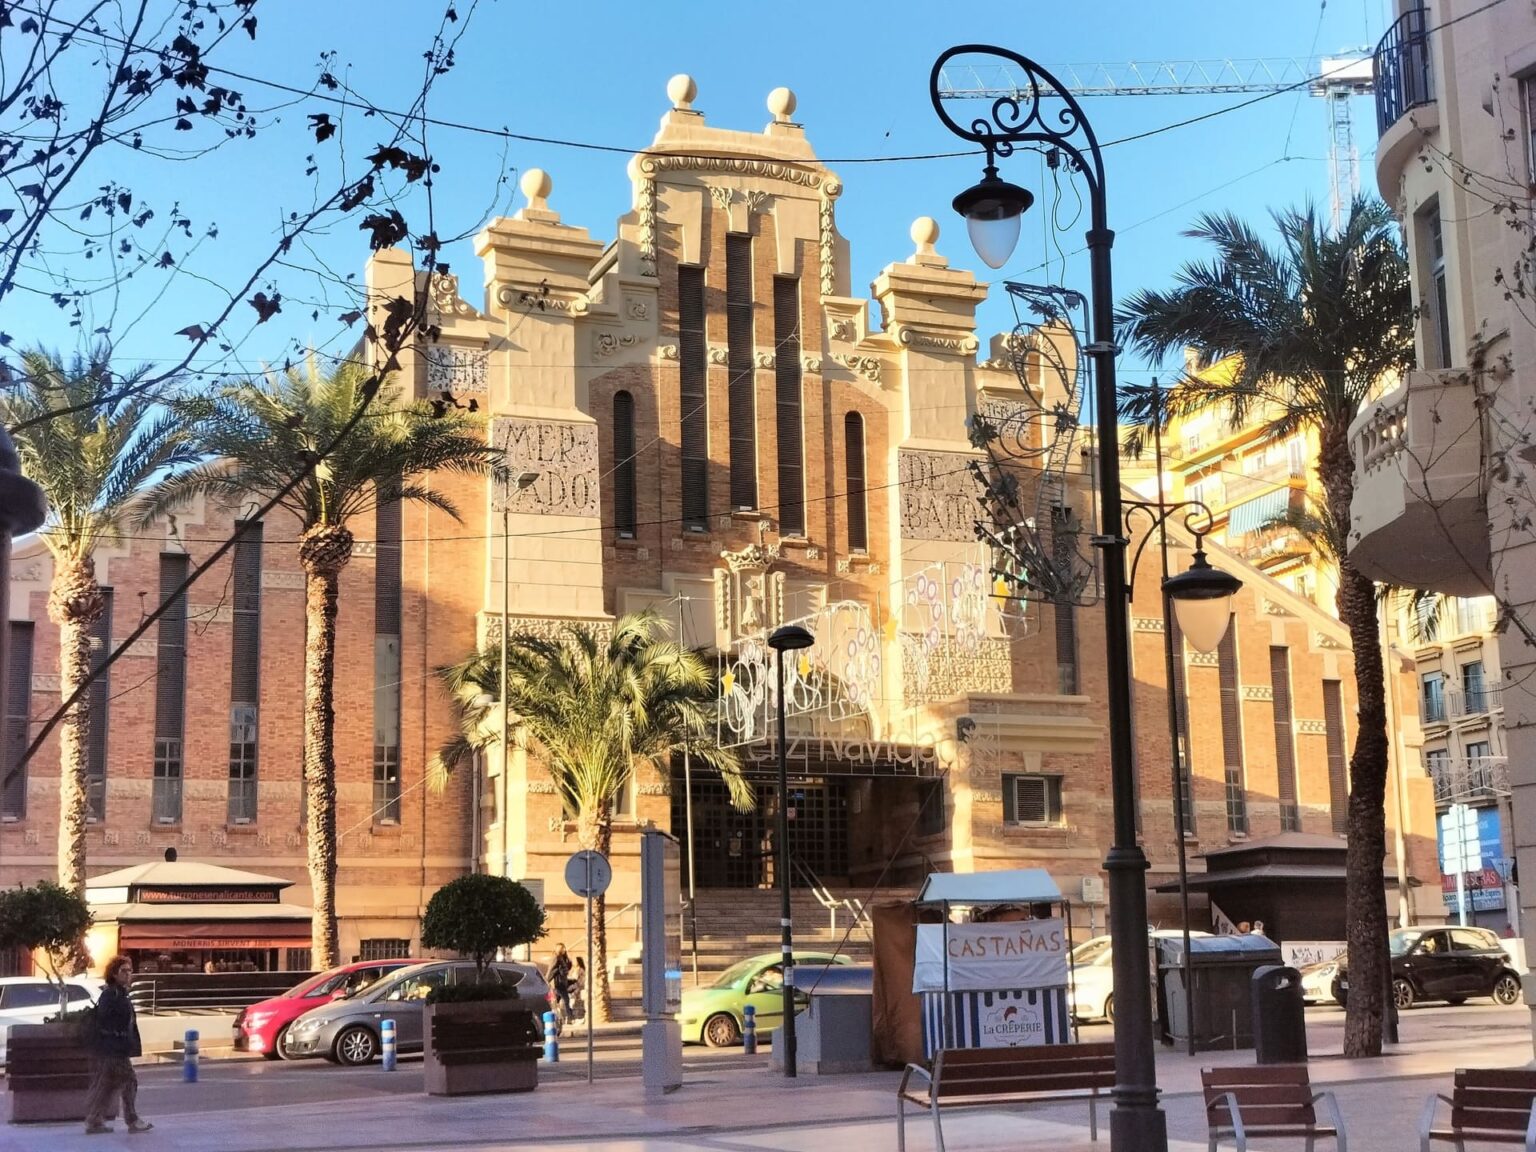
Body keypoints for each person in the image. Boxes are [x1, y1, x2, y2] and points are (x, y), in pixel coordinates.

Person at [84, 955, 152, 1136]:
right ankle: (132, 1120)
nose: (128, 974)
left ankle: (94, 1120)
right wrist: (119, 1036)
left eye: (130, 970)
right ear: (114, 974)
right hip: (114, 1048)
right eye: (123, 971)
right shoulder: (112, 994)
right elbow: (106, 1020)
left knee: (107, 1085)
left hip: (113, 1047)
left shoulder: (119, 993)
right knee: (130, 1081)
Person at [546, 943, 573, 1025]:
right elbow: (551, 969)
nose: (564, 950)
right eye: (562, 949)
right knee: (566, 1000)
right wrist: (546, 980)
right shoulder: (556, 958)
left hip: (561, 983)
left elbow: (567, 968)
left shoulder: (563, 958)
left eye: (564, 948)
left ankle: (553, 1018)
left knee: (553, 1002)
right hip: (558, 983)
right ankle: (569, 1018)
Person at [570, 956, 587, 1024]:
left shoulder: (580, 970)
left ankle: (578, 1018)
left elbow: (580, 980)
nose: (574, 962)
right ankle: (574, 1017)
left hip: (577, 989)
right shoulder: (574, 969)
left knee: (576, 1003)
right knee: (573, 1003)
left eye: (575, 961)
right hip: (574, 989)